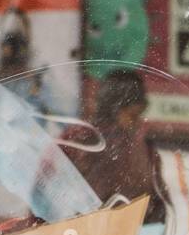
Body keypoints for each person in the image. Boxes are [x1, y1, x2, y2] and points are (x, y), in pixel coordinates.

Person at [63, 69, 156, 212]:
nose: (138, 123)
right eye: (133, 115)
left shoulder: (78, 133)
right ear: (115, 109)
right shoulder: (105, 144)